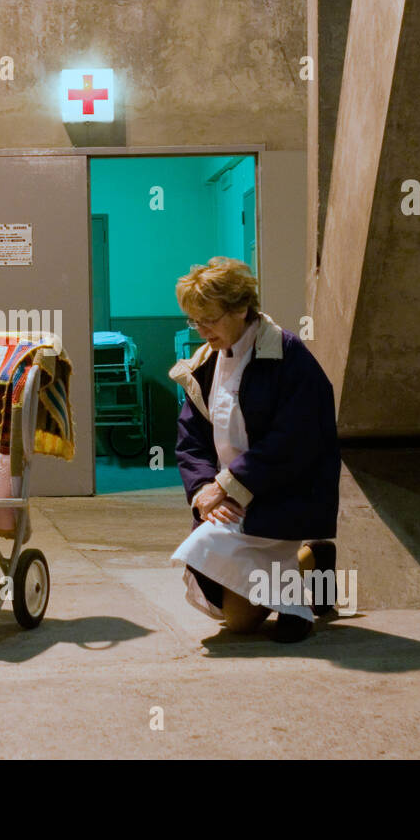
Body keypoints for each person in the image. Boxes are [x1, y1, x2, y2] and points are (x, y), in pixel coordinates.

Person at [168, 257, 340, 642]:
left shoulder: (288, 356)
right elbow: (190, 440)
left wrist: (231, 483)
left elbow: (295, 439)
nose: (202, 330)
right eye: (195, 321)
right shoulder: (205, 364)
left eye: (209, 318)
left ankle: (305, 573)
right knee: (239, 622)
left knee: (240, 618)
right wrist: (202, 491)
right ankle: (310, 562)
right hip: (226, 500)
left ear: (241, 309)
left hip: (278, 497)